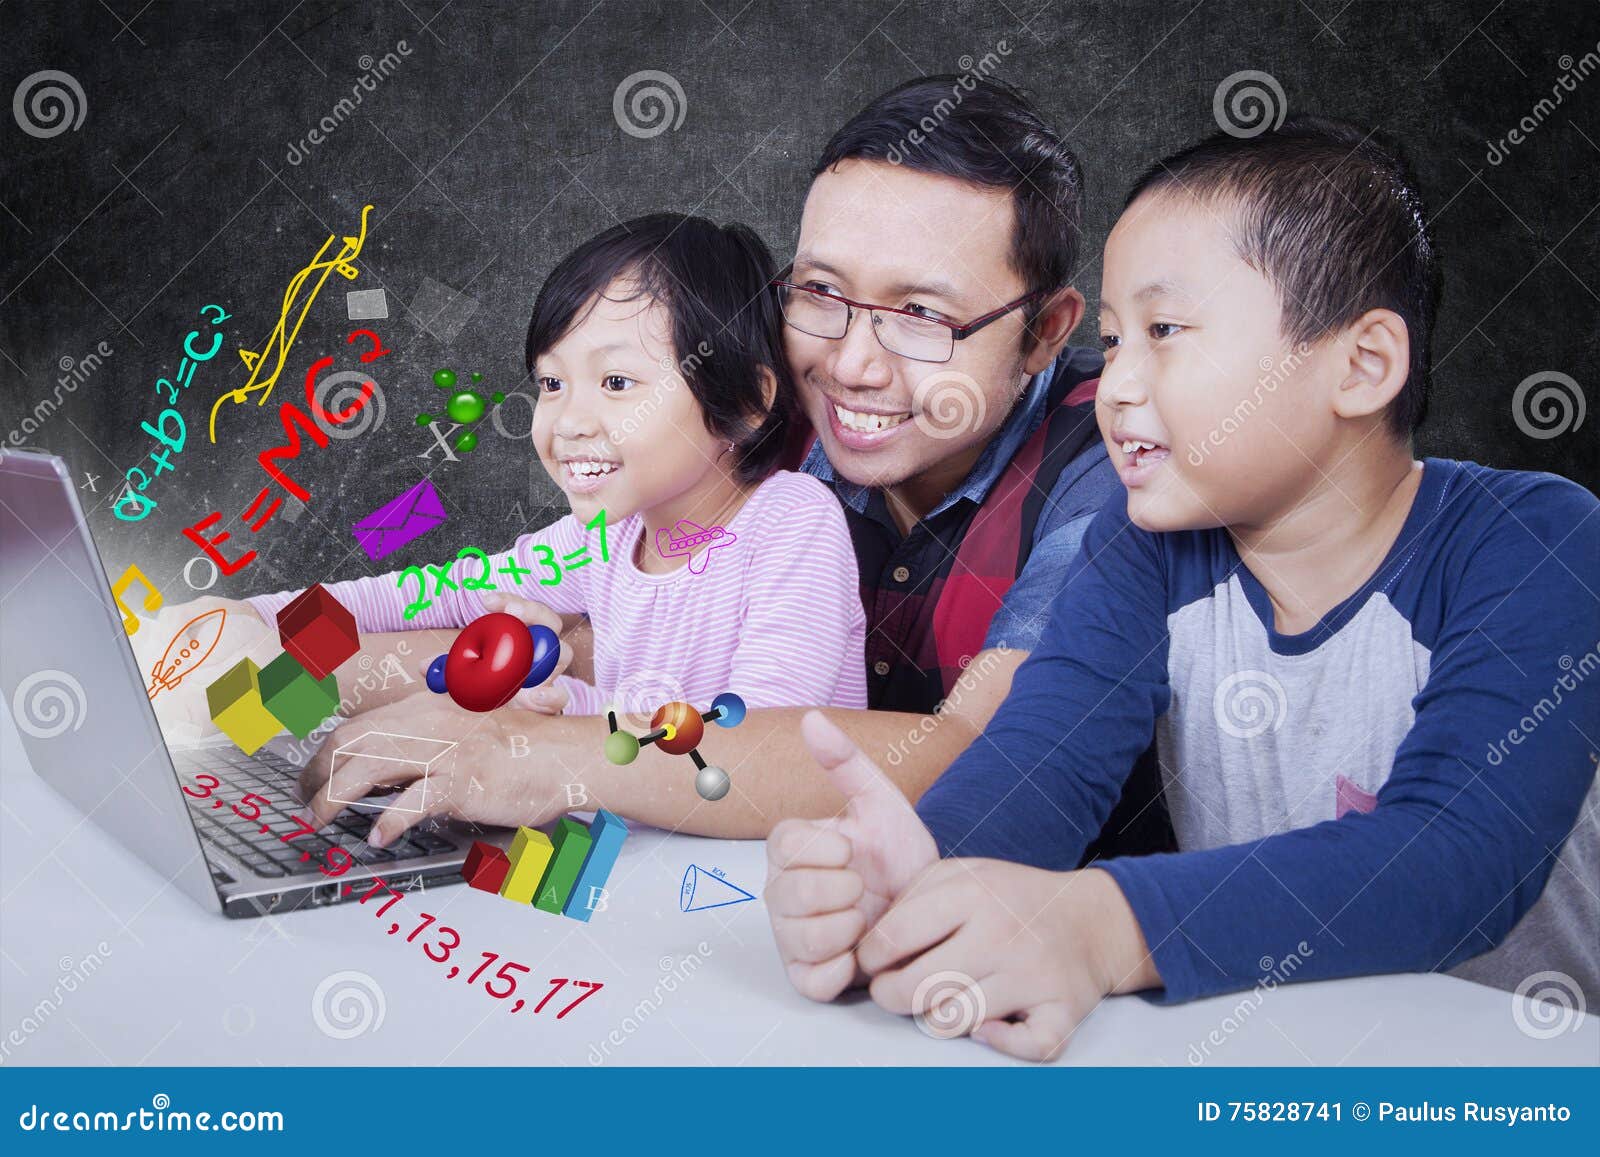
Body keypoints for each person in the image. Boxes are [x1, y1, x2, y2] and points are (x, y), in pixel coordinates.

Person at [763, 115, 1600, 1062]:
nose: (1116, 386)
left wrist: (1105, 924)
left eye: (1164, 331)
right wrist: (915, 873)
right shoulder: (1147, 545)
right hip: (1266, 1059)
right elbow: (1038, 776)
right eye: (1116, 341)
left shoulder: (1533, 539)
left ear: (1362, 365)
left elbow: (1455, 862)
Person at [310, 76, 1167, 855]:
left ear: (1049, 328)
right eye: (822, 293)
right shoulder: (760, 407)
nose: (853, 365)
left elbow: (977, 763)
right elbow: (581, 640)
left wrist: (544, 744)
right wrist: (261, 676)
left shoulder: (1111, 462)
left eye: (920, 315)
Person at [148, 213, 868, 816]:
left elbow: (758, 737)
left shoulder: (791, 522)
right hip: (636, 847)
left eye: (617, 382)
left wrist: (551, 706)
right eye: (552, 382)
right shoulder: (605, 537)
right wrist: (250, 616)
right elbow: (429, 593)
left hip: (753, 869)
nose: (569, 420)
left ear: (743, 401)